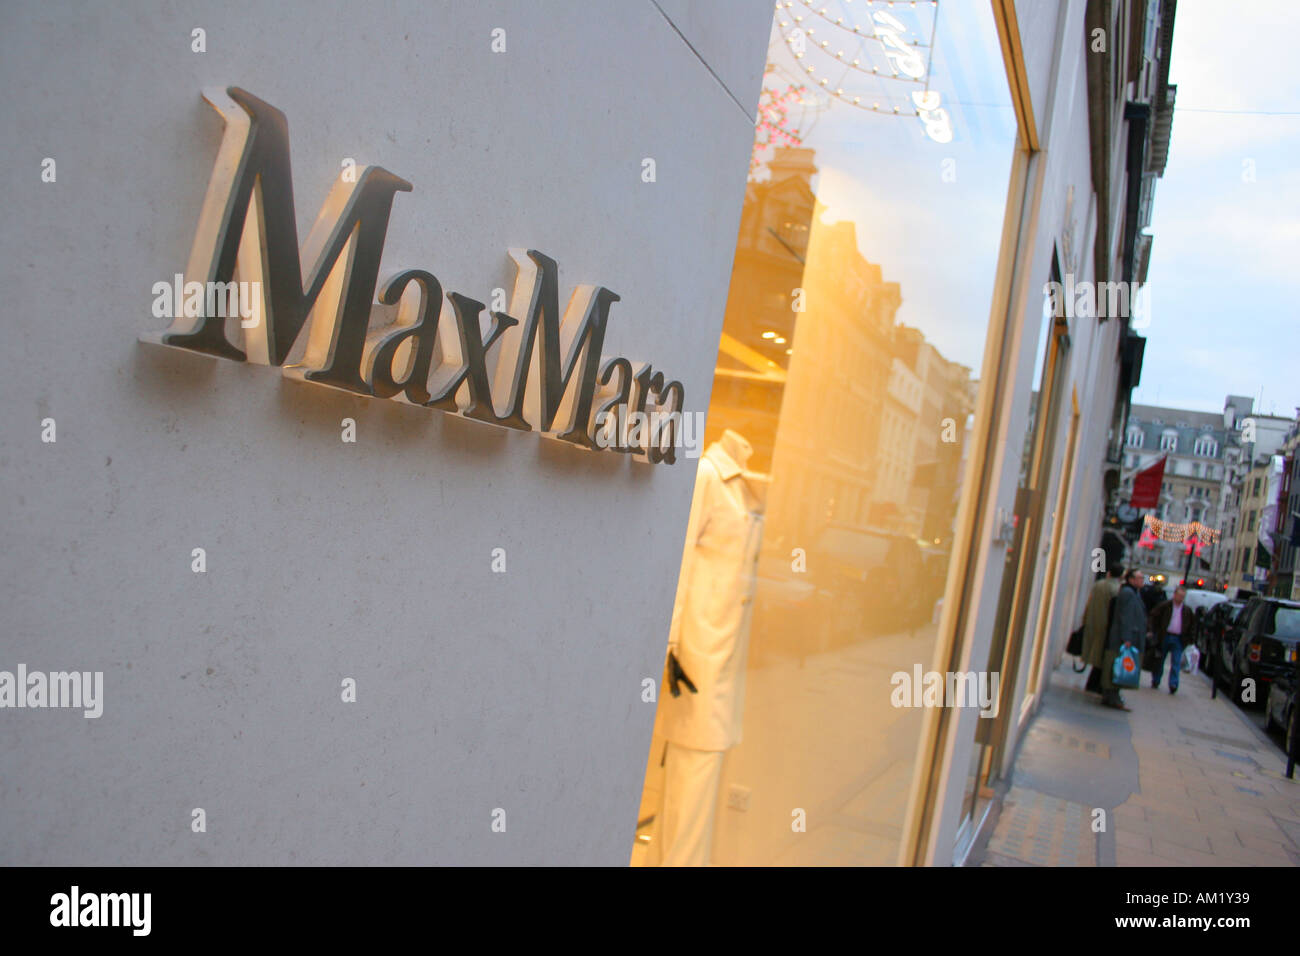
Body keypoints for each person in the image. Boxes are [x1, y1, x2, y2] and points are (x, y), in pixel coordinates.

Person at [1101, 568, 1147, 710]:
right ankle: (1112, 696)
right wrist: (1127, 638)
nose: (1142, 580)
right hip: (1123, 639)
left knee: (1118, 665)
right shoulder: (1128, 593)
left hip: (1126, 636)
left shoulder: (1132, 593)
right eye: (1139, 577)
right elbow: (1126, 617)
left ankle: (1112, 695)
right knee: (1118, 666)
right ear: (1131, 579)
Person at [1081, 564, 1123, 694]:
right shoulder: (1117, 589)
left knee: (1094, 653)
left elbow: (1089, 603)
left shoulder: (1098, 585)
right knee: (1101, 657)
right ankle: (1095, 684)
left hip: (1093, 622)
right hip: (1105, 626)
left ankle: (1092, 683)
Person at [1148, 585, 1191, 694]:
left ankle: (1173, 684)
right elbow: (1153, 616)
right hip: (1165, 636)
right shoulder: (1165, 606)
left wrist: (1188, 639)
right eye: (1179, 596)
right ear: (1174, 595)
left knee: (1176, 662)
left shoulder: (1186, 610)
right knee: (1160, 660)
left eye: (1183, 597)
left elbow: (1191, 625)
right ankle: (1156, 680)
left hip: (1178, 638)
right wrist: (1154, 631)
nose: (1180, 598)